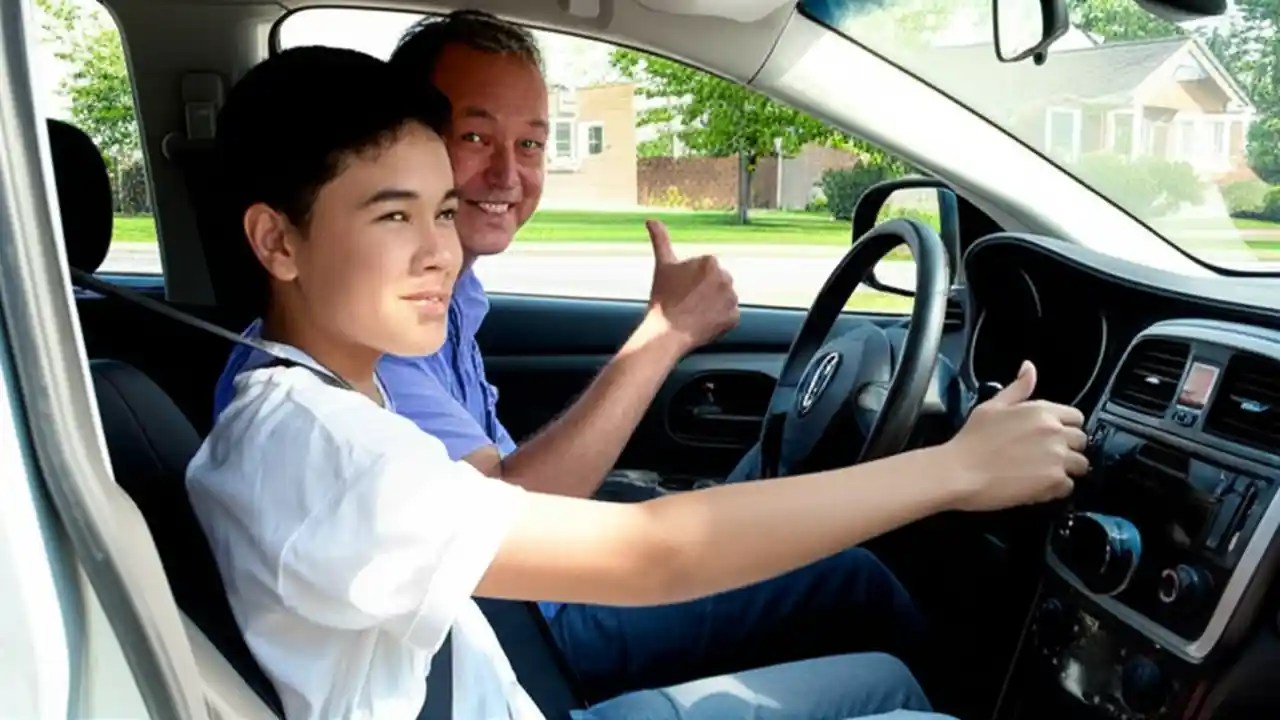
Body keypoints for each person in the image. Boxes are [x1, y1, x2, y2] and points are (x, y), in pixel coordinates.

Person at [190, 44, 1088, 720]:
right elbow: (654, 553)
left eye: (441, 211)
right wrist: (955, 472)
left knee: (889, 682)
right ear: (277, 241)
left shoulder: (327, 393)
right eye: (394, 215)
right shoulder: (324, 454)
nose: (441, 248)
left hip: (505, 689)